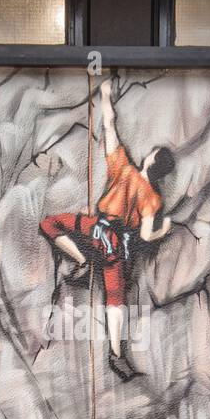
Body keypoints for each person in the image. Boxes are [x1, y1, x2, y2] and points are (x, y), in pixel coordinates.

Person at [39, 77, 176, 381]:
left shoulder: (122, 166)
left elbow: (109, 125)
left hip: (95, 231)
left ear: (150, 158)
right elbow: (144, 237)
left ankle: (81, 258)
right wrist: (163, 230)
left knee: (50, 224)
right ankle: (116, 354)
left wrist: (104, 94)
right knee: (116, 299)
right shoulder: (152, 197)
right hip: (117, 247)